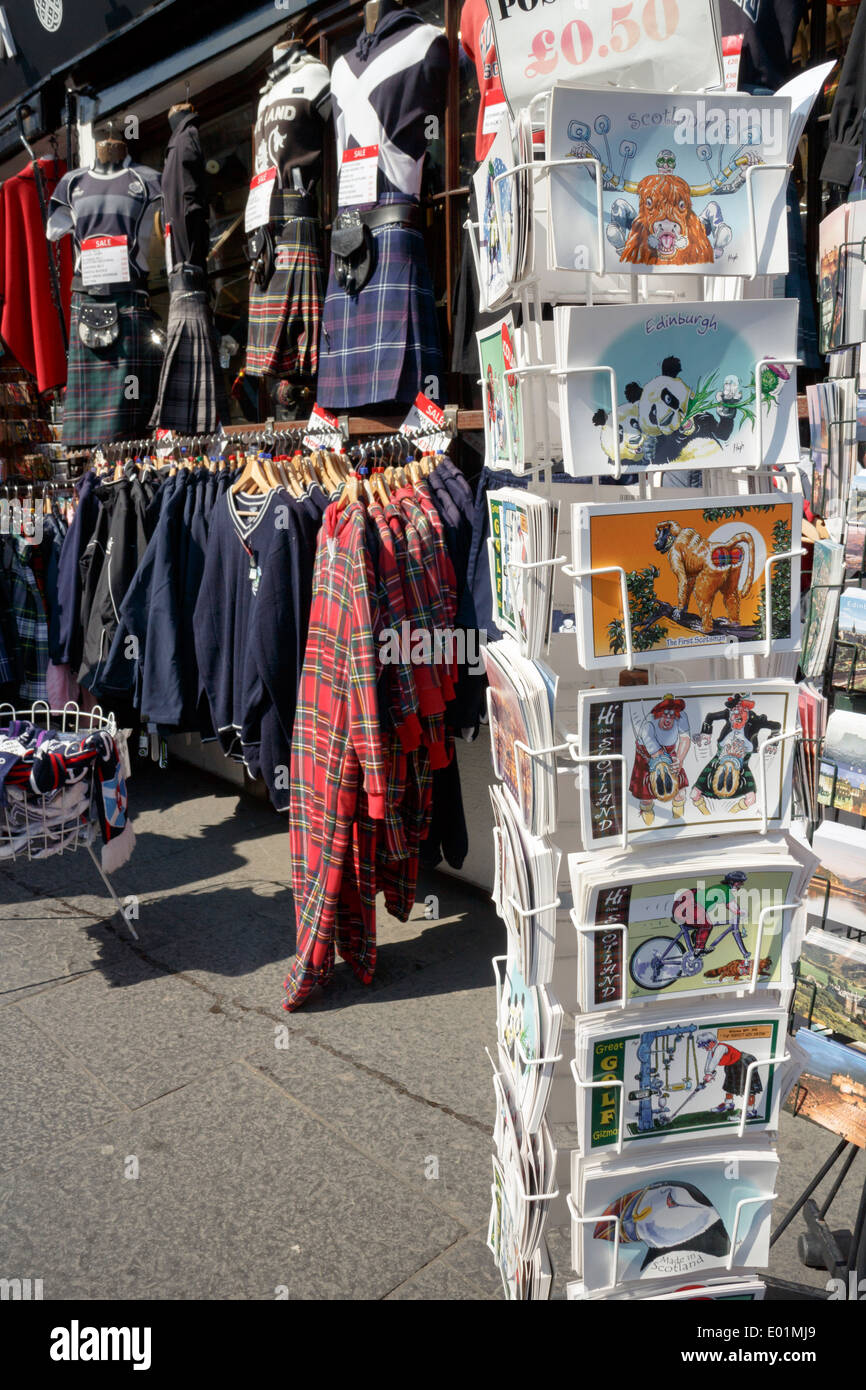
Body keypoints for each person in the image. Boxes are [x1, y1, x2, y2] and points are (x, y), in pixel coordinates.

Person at [629, 695, 691, 826]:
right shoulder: (649, 723)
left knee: (680, 790)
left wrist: (679, 760)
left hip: (669, 752)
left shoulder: (682, 717)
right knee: (646, 794)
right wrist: (668, 762)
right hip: (646, 754)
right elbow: (656, 753)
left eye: (672, 715)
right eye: (666, 715)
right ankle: (647, 815)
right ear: (659, 714)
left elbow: (685, 739)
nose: (669, 719)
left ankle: (678, 815)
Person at [697, 1032, 763, 1119]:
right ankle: (729, 1104)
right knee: (729, 1085)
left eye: (705, 1045)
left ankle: (750, 1111)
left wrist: (710, 1073)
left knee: (749, 1088)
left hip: (742, 1063)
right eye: (702, 1046)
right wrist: (708, 1073)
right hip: (731, 1065)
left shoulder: (720, 1047)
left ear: (711, 1042)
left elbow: (715, 1060)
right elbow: (709, 1062)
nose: (704, 1047)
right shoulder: (711, 1051)